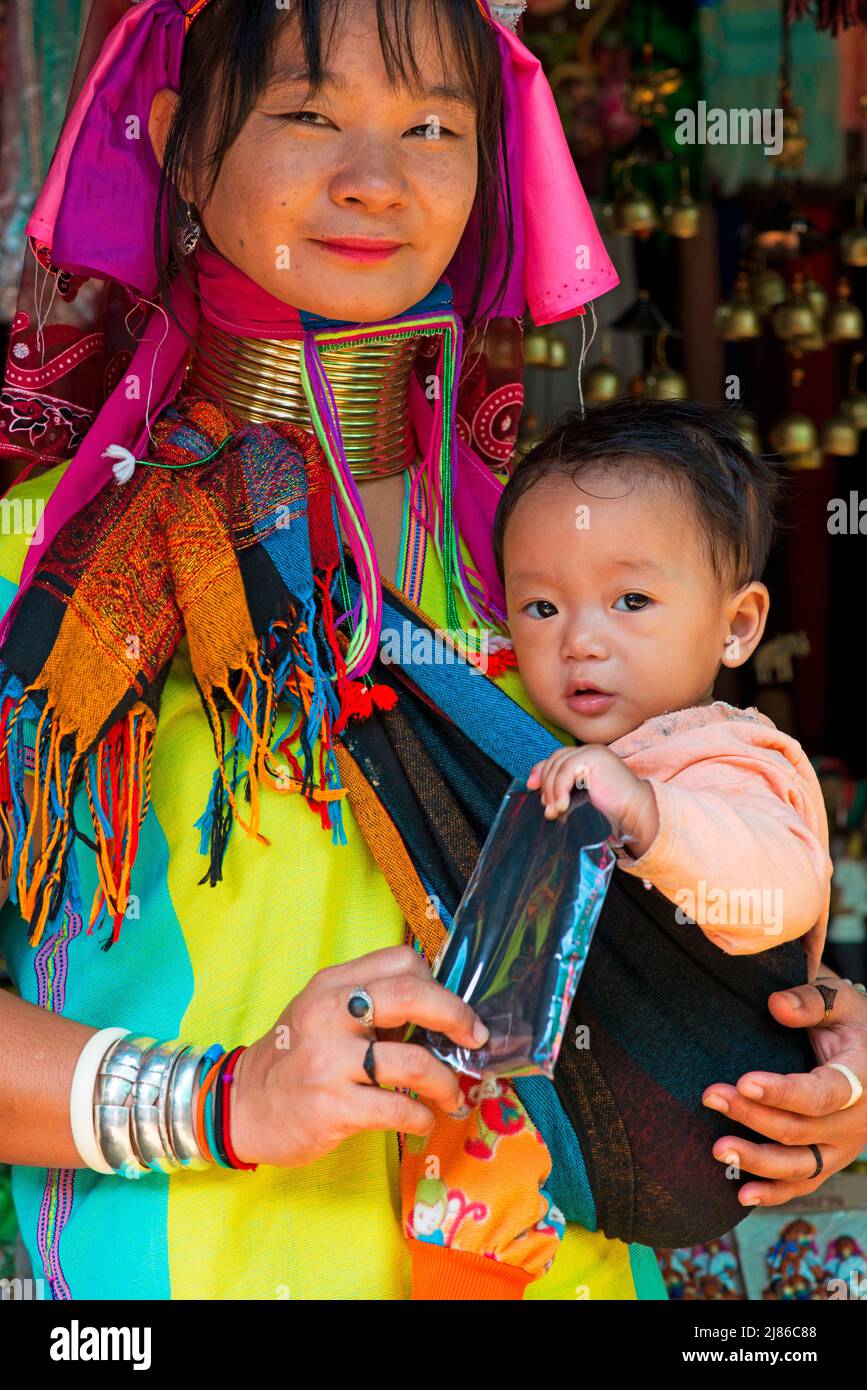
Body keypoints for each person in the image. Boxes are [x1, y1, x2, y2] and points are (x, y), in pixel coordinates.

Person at [0, 0, 864, 1304]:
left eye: (430, 127)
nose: (376, 181)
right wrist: (219, 1098)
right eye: (307, 115)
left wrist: (818, 1055)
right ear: (180, 145)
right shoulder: (47, 551)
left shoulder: (547, 551)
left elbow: (719, 829)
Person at [497, 400, 832, 976]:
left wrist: (649, 813)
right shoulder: (536, 742)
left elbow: (786, 897)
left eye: (632, 601)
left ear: (737, 625)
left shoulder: (726, 756)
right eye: (542, 606)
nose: (579, 642)